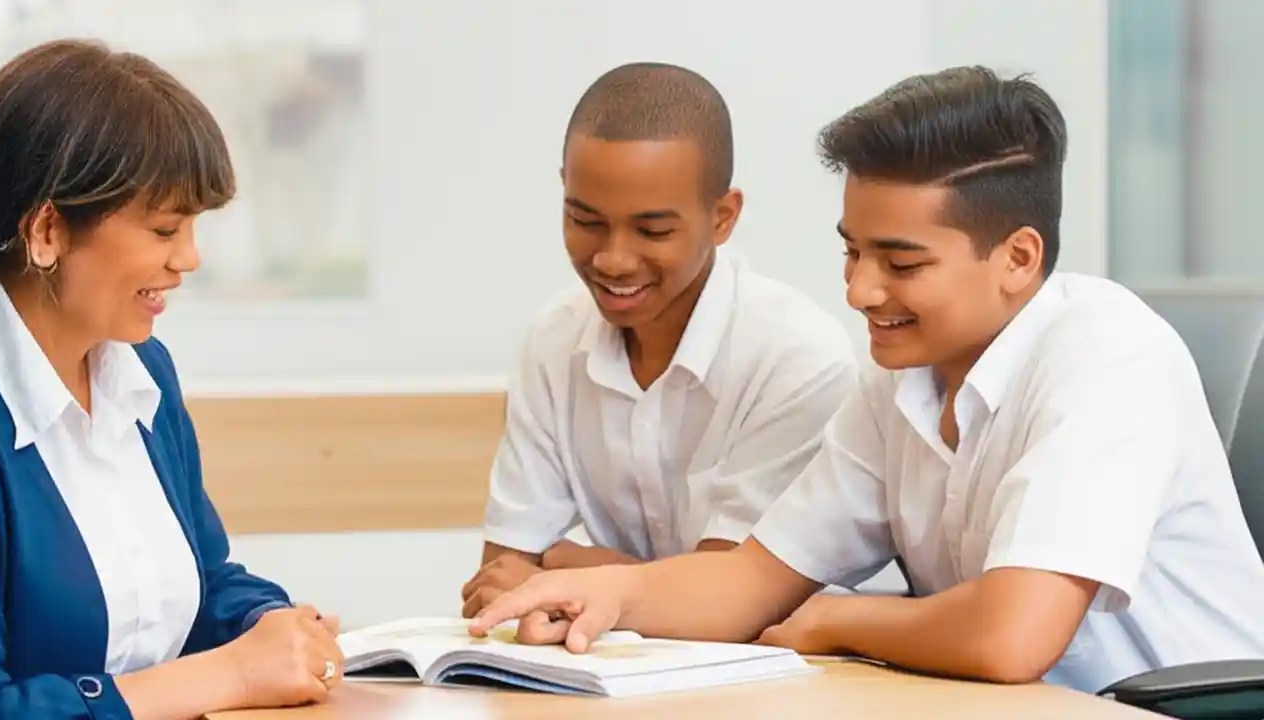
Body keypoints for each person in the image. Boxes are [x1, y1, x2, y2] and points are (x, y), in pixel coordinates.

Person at [468, 66, 1264, 692]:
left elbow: (1010, 635)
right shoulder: (898, 386)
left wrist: (831, 620)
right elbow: (750, 579)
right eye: (853, 251)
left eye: (901, 262)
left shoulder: (1107, 355)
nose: (859, 291)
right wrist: (613, 600)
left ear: (1018, 259)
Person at [0, 40, 345, 718]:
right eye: (163, 228)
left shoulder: (140, 368)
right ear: (48, 230)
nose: (189, 258)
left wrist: (272, 625)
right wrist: (234, 677)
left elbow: (202, 585)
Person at [461, 62, 858, 617]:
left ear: (723, 217)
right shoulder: (553, 342)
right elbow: (500, 581)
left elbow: (739, 607)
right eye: (586, 220)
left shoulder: (797, 358)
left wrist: (570, 570)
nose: (613, 259)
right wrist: (583, 577)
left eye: (652, 231)